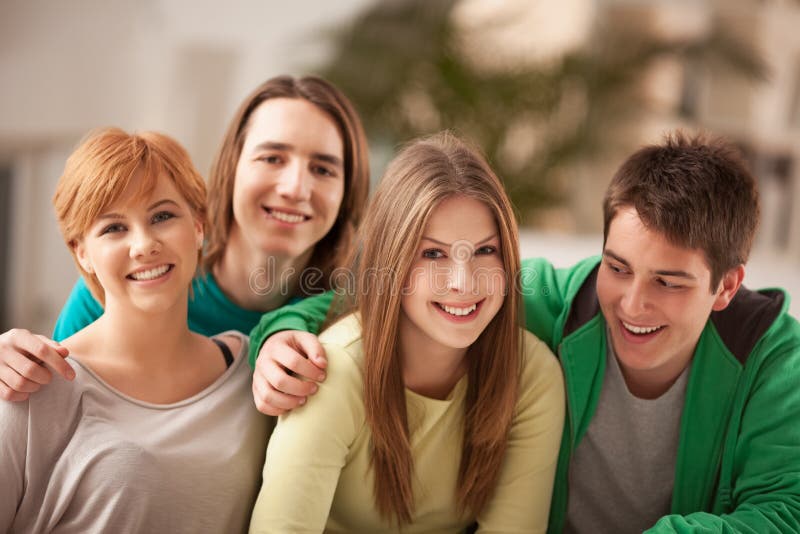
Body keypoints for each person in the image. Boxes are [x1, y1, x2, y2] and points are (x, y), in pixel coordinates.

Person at [248, 132, 800, 532]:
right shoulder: (551, 301)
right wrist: (279, 334)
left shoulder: (772, 357)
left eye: (670, 283)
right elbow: (375, 299)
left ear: (726, 287)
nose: (632, 304)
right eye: (618, 267)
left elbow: (785, 510)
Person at [248, 132, 565, 532]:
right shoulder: (333, 372)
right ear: (390, 261)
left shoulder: (531, 375)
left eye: (485, 251)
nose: (462, 282)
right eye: (432, 253)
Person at [0, 75, 369, 402]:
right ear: (232, 168)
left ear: (346, 191)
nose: (295, 188)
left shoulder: (348, 317)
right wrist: (12, 368)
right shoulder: (136, 280)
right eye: (272, 158)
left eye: (322, 169)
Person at [0, 128, 272, 533]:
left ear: (198, 227)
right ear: (82, 252)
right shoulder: (29, 387)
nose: (144, 245)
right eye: (113, 228)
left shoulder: (250, 374)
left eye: (162, 216)